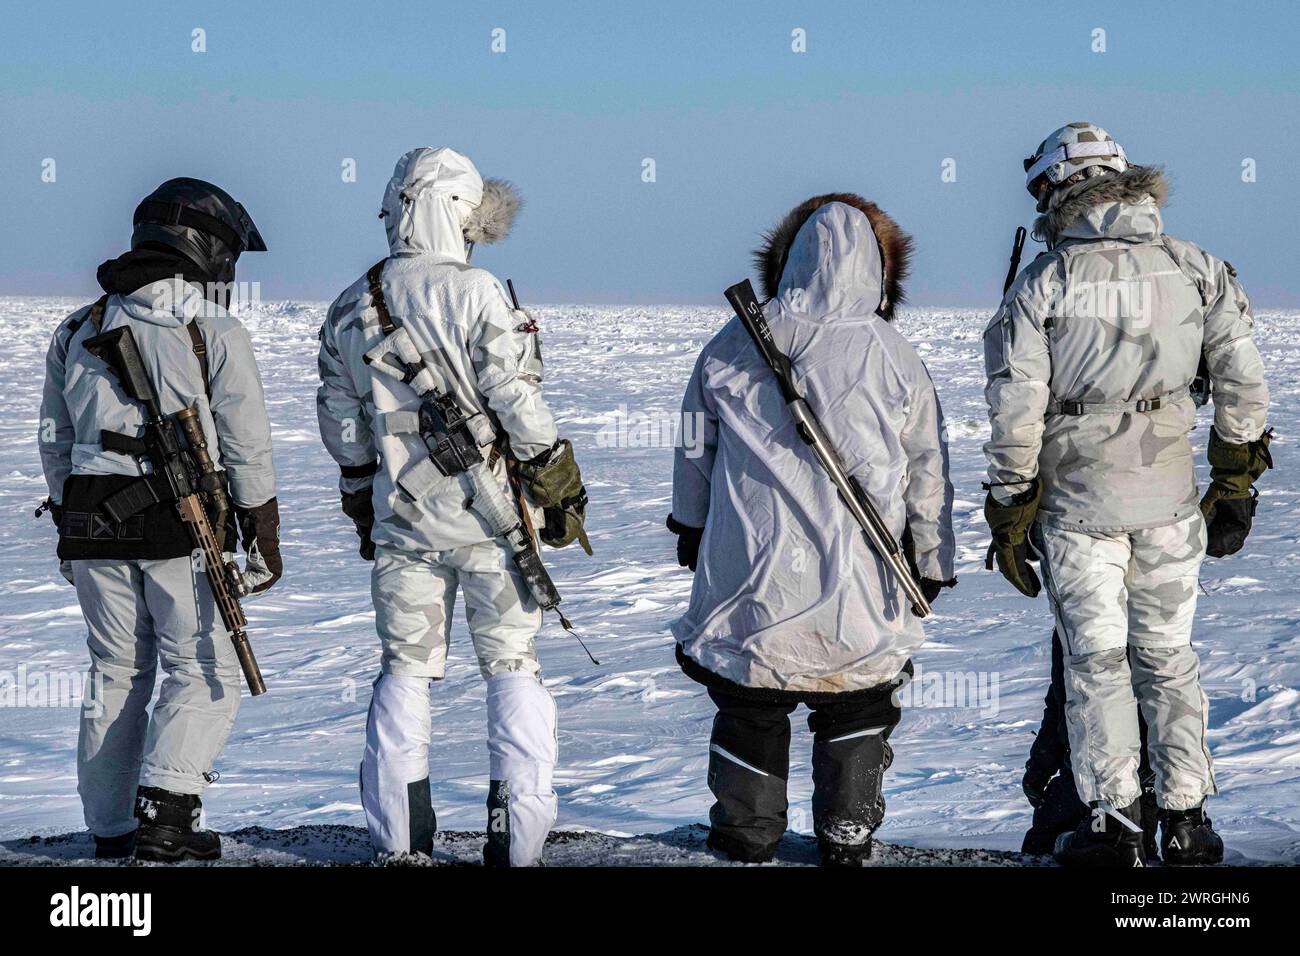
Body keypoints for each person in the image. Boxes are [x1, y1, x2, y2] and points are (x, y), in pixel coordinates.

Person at [983, 122, 1271, 866]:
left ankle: (1114, 822)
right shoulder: (1197, 266)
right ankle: (1187, 819)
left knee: (1099, 664)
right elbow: (1242, 381)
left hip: (1080, 512)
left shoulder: (1045, 283)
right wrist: (1234, 481)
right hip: (1172, 503)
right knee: (1169, 658)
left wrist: (1012, 507)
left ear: (1061, 185)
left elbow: (1017, 408)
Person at [316, 147, 590, 867]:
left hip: (402, 522)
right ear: (459, 212)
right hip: (491, 520)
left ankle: (402, 843)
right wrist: (556, 478)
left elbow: (342, 424)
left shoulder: (351, 303)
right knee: (511, 664)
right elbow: (516, 400)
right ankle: (517, 842)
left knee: (404, 669)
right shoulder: (477, 293)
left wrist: (359, 495)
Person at [668, 194, 955, 866]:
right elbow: (929, 465)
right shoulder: (893, 354)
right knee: (855, 697)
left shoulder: (735, 340)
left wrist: (690, 523)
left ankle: (746, 835)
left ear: (787, 259)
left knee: (751, 698)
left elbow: (690, 442)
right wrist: (933, 557)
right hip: (861, 572)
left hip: (750, 567)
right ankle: (847, 835)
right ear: (879, 269)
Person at [37, 178, 280, 862]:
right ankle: (167, 817)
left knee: (115, 671)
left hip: (90, 523)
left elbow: (54, 440)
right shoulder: (210, 327)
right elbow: (245, 441)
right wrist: (262, 527)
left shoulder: (78, 327)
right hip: (179, 522)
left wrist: (67, 519)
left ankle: (112, 829)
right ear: (203, 246)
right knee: (204, 665)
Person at [1020, 632, 1157, 859]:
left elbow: (1061, 704)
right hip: (1136, 782)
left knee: (1045, 843)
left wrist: (1039, 768)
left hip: (1094, 775)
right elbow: (1059, 703)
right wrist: (1038, 768)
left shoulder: (1084, 618)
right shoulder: (1151, 621)